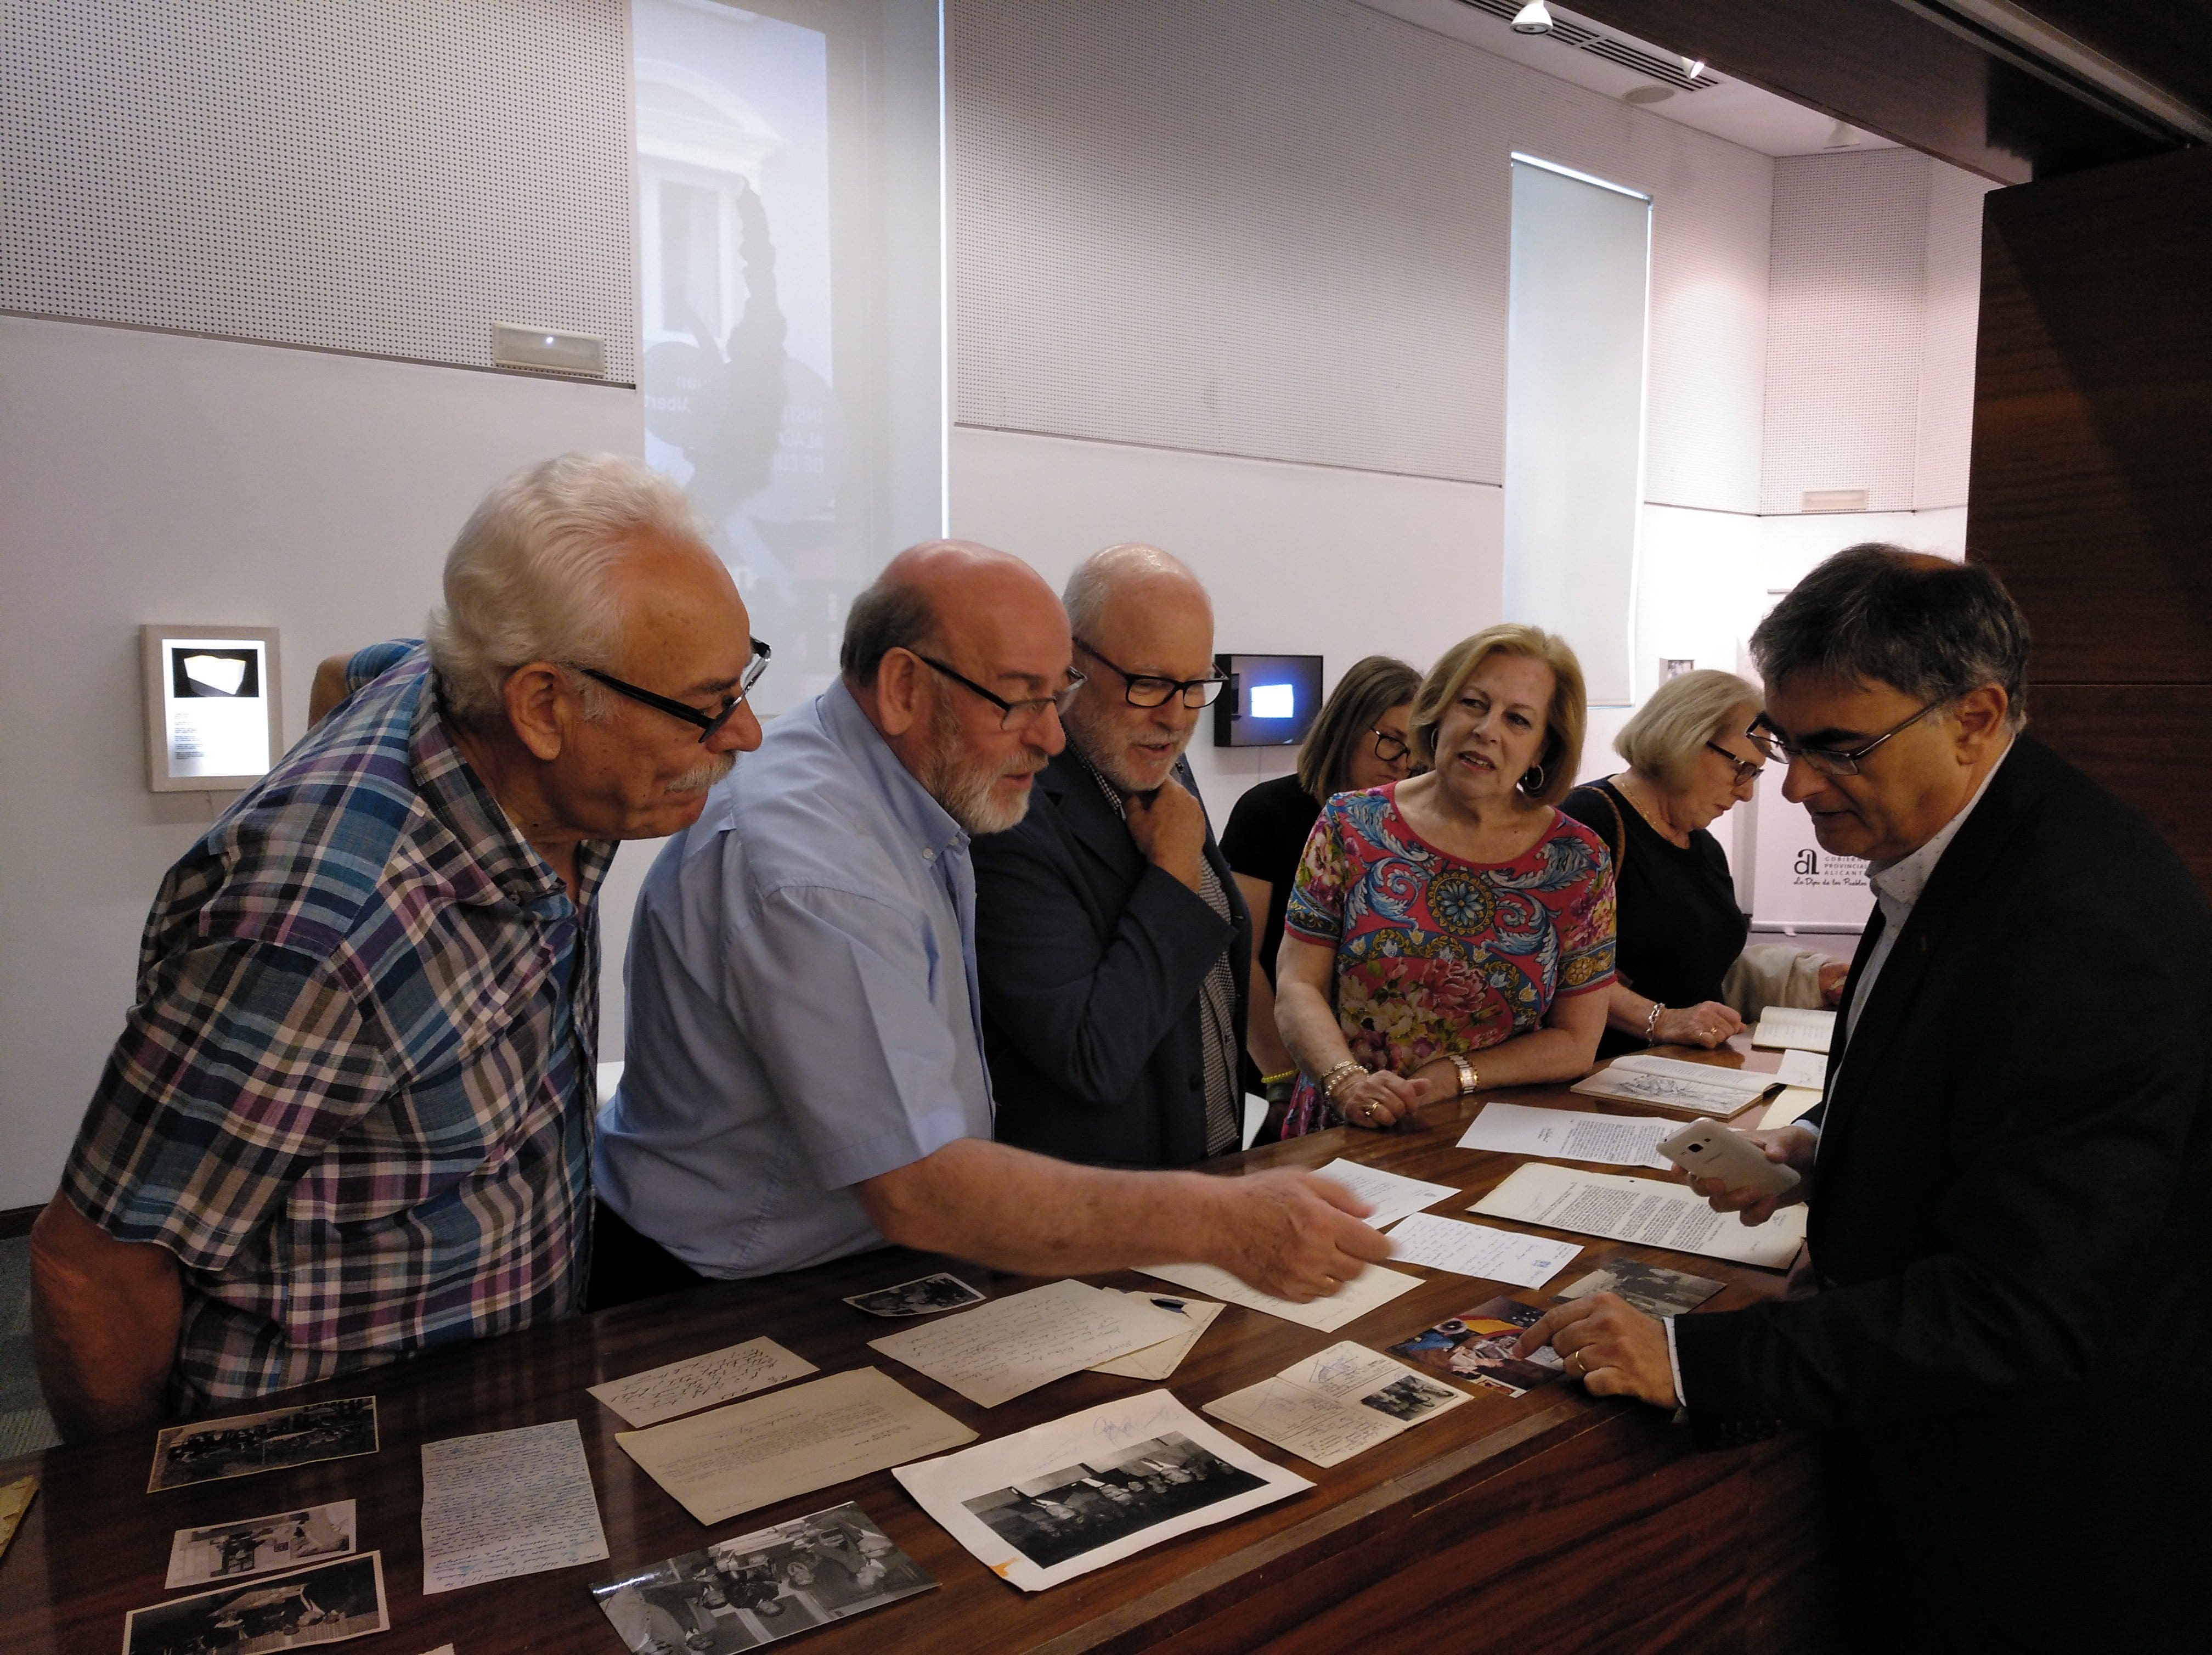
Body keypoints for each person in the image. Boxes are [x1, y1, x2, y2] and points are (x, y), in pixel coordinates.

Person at [1514, 546, 2212, 1648]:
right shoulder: (1954, 842)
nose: (1793, 785)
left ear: (1976, 717)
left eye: (1842, 746)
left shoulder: (2084, 923)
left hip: (2033, 1523)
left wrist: (1694, 1359)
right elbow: (1964, 1079)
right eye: (1786, 743)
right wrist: (1821, 1142)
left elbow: (2017, 1304)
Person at [30, 453, 764, 1438]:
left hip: (504, 1399)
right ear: (543, 707)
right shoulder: (320, 931)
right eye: (707, 705)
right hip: (333, 1452)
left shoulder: (464, 695)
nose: (748, 733)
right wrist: (125, 1527)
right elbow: (94, 1267)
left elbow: (353, 669)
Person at [589, 539, 1391, 1309]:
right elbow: (918, 1186)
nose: (1048, 737)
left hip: (847, 1259)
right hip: (737, 1287)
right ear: (904, 687)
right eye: (1018, 701)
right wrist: (1217, 1223)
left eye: (1056, 696)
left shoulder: (907, 783)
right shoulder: (816, 865)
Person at [1273, 624, 1616, 1136]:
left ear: (1543, 749)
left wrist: (1453, 1076)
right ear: (1439, 709)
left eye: (1518, 719)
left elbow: (1576, 1040)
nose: (1487, 729)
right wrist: (1345, 1082)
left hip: (1493, 1132)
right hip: (1344, 1124)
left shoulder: (1578, 861)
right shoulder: (1351, 824)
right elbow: (1298, 983)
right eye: (1473, 704)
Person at [970, 544, 1249, 1168]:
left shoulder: (1157, 760)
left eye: (1195, 685)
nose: (1176, 717)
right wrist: (1175, 872)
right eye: (1149, 683)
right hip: (1101, 1210)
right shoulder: (1010, 810)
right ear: (1070, 662)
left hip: (1212, 1170)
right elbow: (1092, 1053)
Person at [1561, 669, 1848, 1057]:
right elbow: (1558, 967)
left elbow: (1702, 966)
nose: (1746, 793)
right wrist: (1661, 1020)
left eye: (1755, 775)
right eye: (1741, 768)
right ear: (1684, 737)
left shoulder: (1705, 847)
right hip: (1602, 1077)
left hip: (1687, 1072)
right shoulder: (1588, 820)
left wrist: (1809, 977)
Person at [1221, 654, 1423, 1138]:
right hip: (1280, 1063)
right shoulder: (1267, 812)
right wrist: (1283, 1075)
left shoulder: (1412, 828)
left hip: (1384, 1081)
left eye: (1415, 752)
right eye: (1390, 741)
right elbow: (1238, 958)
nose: (1402, 764)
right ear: (1346, 726)